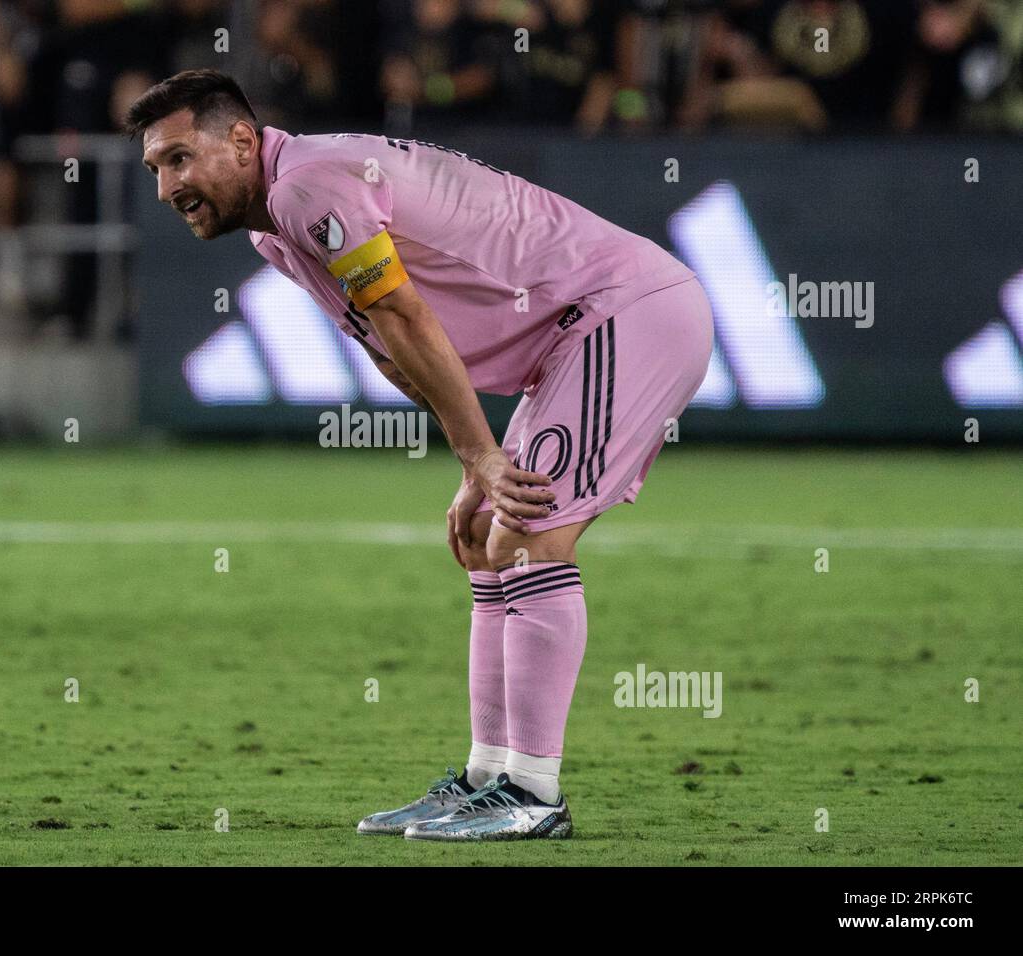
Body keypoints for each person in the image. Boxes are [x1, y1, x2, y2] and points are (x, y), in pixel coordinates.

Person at [125, 69, 713, 841]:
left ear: (241, 140)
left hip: (624, 311)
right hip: (578, 335)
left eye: (179, 159)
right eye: (156, 170)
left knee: (531, 536)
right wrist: (478, 459)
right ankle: (487, 778)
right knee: (487, 543)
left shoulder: (309, 187)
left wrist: (480, 458)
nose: (168, 186)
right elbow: (392, 348)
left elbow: (402, 311)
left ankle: (534, 793)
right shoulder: (277, 226)